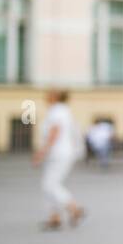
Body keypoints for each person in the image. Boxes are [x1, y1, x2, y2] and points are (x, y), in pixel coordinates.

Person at [33, 90, 86, 230]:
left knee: (49, 184)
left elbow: (55, 131)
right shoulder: (62, 110)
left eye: (49, 93)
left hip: (58, 153)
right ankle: (55, 217)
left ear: (55, 96)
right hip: (59, 153)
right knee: (50, 183)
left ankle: (73, 208)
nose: (46, 95)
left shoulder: (57, 111)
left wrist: (42, 151)